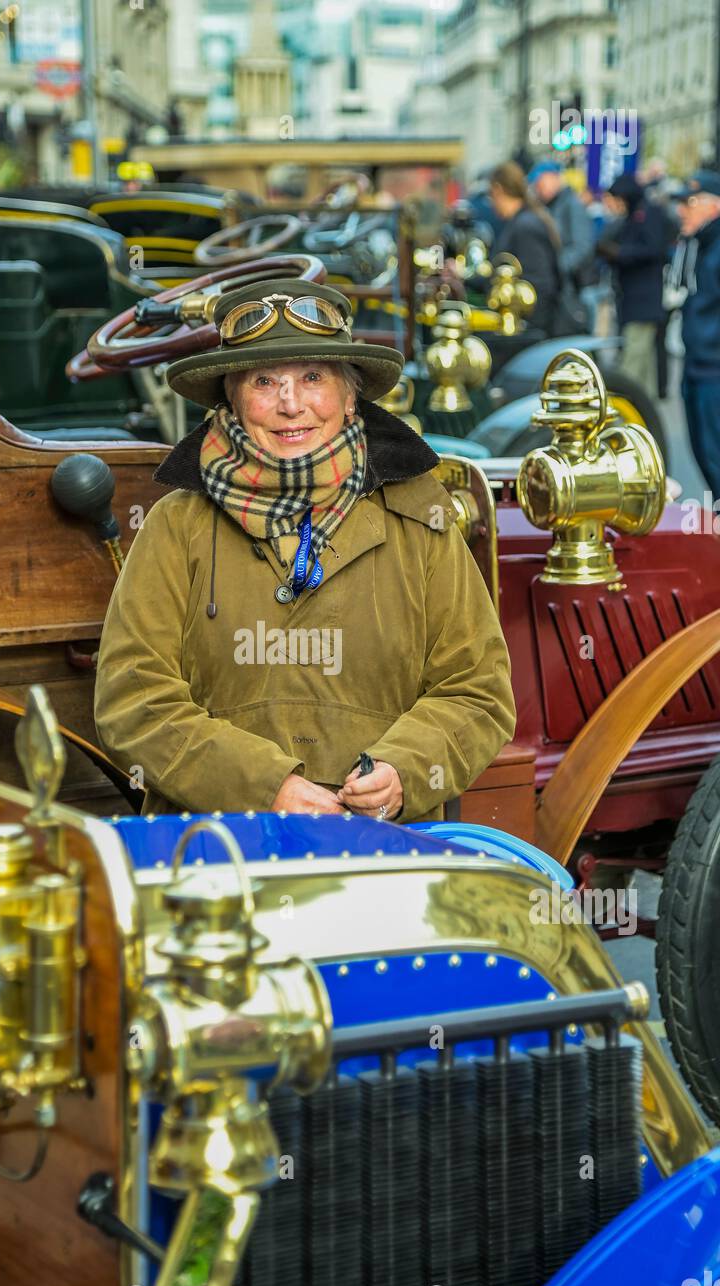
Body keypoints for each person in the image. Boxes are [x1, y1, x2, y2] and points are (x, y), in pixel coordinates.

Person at [94, 279, 516, 820]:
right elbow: (132, 700)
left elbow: (478, 691)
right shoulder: (176, 525)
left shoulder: (422, 520)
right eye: (264, 381)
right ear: (232, 396)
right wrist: (265, 789)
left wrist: (401, 775)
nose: (290, 404)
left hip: (384, 853)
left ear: (349, 394)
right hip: (216, 853)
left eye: (312, 377)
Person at [597, 173, 670, 394]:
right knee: (641, 365)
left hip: (644, 302)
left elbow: (654, 249)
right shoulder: (632, 215)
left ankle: (628, 410)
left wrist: (620, 253)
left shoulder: (648, 213)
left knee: (632, 362)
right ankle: (644, 416)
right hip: (631, 298)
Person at [677, 170, 720, 496]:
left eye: (689, 202)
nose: (682, 210)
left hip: (713, 369)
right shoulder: (699, 243)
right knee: (704, 455)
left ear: (714, 206)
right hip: (696, 362)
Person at [486, 161, 563, 335]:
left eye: (490, 194)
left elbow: (541, 285)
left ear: (498, 189)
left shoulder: (525, 225)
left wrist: (531, 332)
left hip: (531, 327)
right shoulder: (525, 220)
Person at [528, 160, 596, 298]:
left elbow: (583, 247)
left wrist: (553, 267)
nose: (538, 189)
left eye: (540, 183)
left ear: (553, 178)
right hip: (563, 284)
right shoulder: (551, 205)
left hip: (578, 288)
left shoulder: (572, 205)